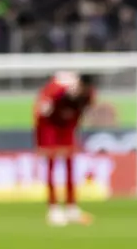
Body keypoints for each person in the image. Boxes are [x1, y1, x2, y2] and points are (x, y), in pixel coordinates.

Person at [35, 71, 96, 226]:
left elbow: (81, 112)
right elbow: (42, 112)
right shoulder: (54, 91)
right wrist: (41, 138)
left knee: (70, 164)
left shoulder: (88, 95)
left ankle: (71, 206)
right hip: (50, 126)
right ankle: (53, 208)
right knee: (51, 164)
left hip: (67, 127)